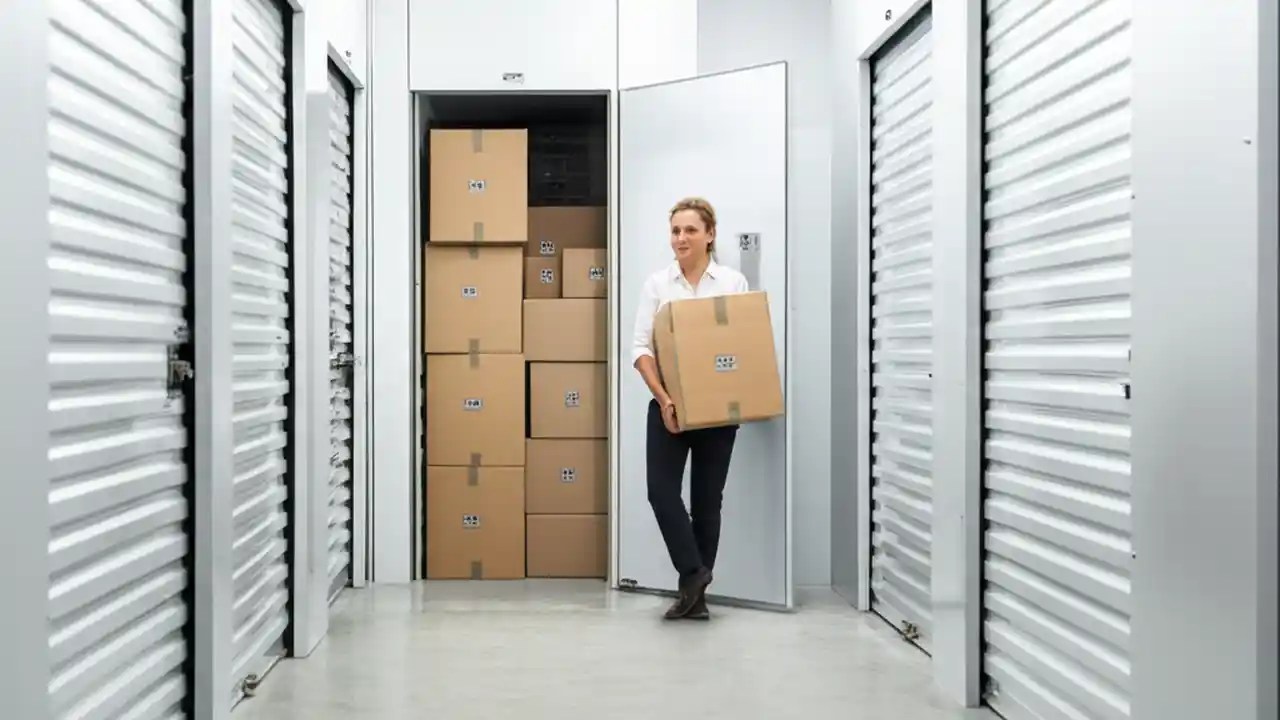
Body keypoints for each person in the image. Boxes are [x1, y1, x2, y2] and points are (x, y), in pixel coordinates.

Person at [631, 197, 749, 620]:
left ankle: (694, 600)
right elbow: (641, 348)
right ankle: (694, 572)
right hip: (670, 405)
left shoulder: (732, 284)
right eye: (676, 231)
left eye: (690, 230)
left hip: (717, 411)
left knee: (706, 502)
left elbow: (739, 346)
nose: (681, 238)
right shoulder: (657, 285)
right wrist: (665, 399)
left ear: (710, 234)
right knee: (661, 493)